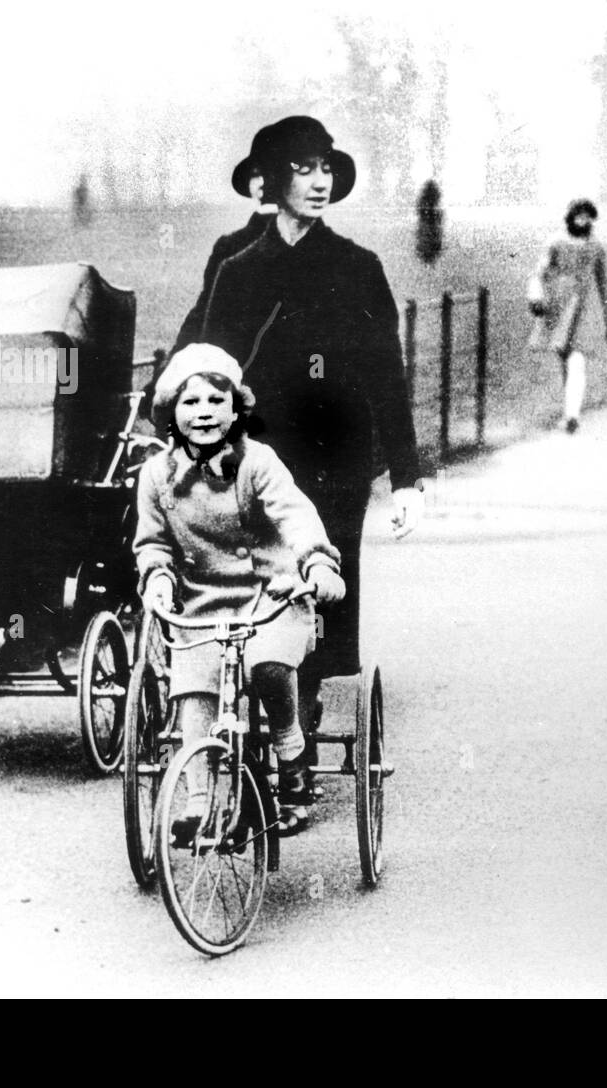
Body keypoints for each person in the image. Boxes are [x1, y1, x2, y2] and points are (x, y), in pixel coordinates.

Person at [196, 115, 424, 767]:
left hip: (339, 458)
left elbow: (387, 372)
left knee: (320, 584)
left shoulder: (357, 268)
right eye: (303, 169)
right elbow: (214, 367)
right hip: (262, 461)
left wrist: (406, 478)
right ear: (272, 182)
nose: (319, 182)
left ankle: (300, 727)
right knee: (257, 585)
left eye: (326, 168)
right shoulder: (240, 271)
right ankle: (269, 725)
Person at [134, 345, 346, 840]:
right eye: (190, 402)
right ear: (171, 413)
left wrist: (316, 561)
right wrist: (160, 580)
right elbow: (152, 544)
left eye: (216, 399)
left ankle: (291, 749)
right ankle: (199, 800)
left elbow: (294, 513)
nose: (204, 411)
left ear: (236, 409)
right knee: (194, 687)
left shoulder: (258, 462)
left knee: (268, 664)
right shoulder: (155, 476)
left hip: (275, 595)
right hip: (203, 604)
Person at [169, 133, 280, 358]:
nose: (263, 183)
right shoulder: (229, 245)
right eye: (256, 175)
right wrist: (173, 364)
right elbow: (204, 313)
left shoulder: (319, 246)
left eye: (273, 174)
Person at [527, 198, 607, 433]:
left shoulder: (597, 247)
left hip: (586, 308)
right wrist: (536, 297)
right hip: (559, 305)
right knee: (566, 358)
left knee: (577, 359)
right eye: (579, 216)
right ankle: (570, 411)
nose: (583, 220)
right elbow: (539, 273)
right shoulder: (556, 243)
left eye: (587, 216)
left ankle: (572, 414)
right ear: (570, 218)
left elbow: (604, 282)